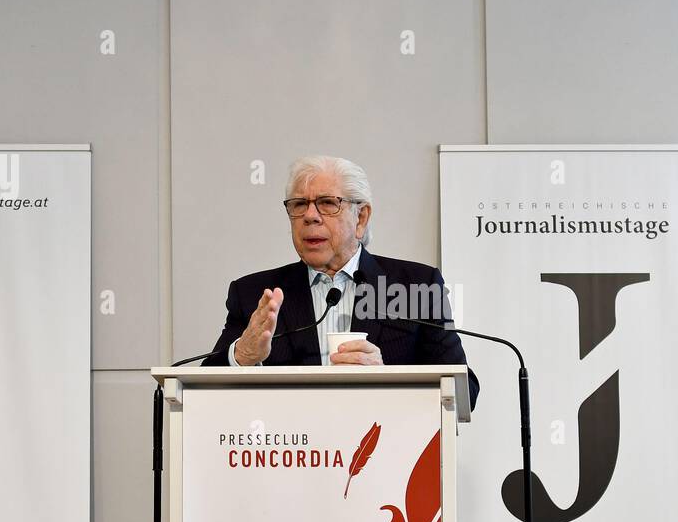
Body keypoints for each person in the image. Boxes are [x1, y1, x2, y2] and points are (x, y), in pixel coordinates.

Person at [202, 155, 479, 409]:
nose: (310, 216)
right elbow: (203, 392)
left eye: (327, 203)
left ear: (361, 217)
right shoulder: (255, 295)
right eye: (299, 205)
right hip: (289, 456)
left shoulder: (416, 286)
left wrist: (390, 379)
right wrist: (242, 355)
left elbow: (466, 392)